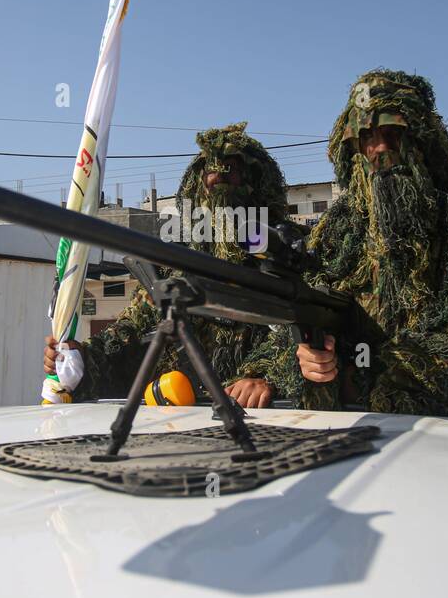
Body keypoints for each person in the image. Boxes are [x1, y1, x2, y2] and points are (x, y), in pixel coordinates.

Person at [263, 69, 448, 414]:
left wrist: (375, 370)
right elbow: (308, 308)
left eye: (393, 134)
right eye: (367, 138)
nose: (380, 149)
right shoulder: (339, 227)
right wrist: (306, 358)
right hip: (351, 427)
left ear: (421, 140)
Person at [43, 122, 297, 408]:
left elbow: (307, 336)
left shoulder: (288, 260)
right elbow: (127, 338)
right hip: (179, 424)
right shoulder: (173, 269)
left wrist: (264, 375)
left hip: (271, 421)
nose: (220, 183)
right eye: (211, 175)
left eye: (233, 173)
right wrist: (81, 361)